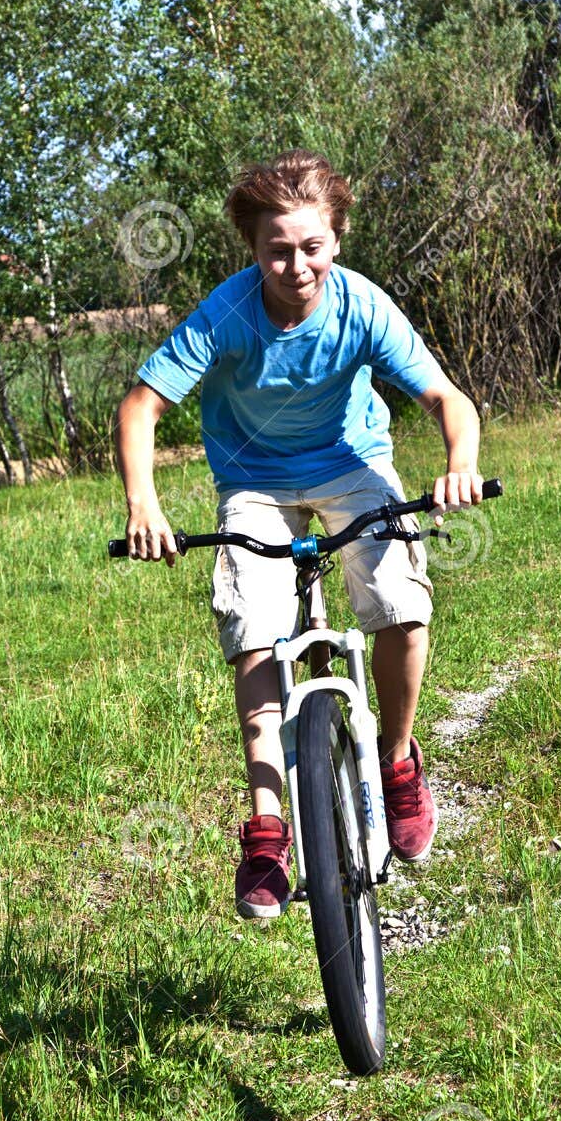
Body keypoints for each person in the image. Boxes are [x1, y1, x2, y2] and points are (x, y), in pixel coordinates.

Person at [114, 149, 486, 920]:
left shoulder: (361, 305)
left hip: (353, 466)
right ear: (253, 250)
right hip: (254, 484)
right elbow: (140, 407)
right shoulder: (226, 314)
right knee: (253, 627)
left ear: (335, 241)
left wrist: (459, 463)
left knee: (397, 601)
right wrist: (142, 506)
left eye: (310, 246)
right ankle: (266, 825)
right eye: (277, 249)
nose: (295, 265)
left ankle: (395, 760)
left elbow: (444, 398)